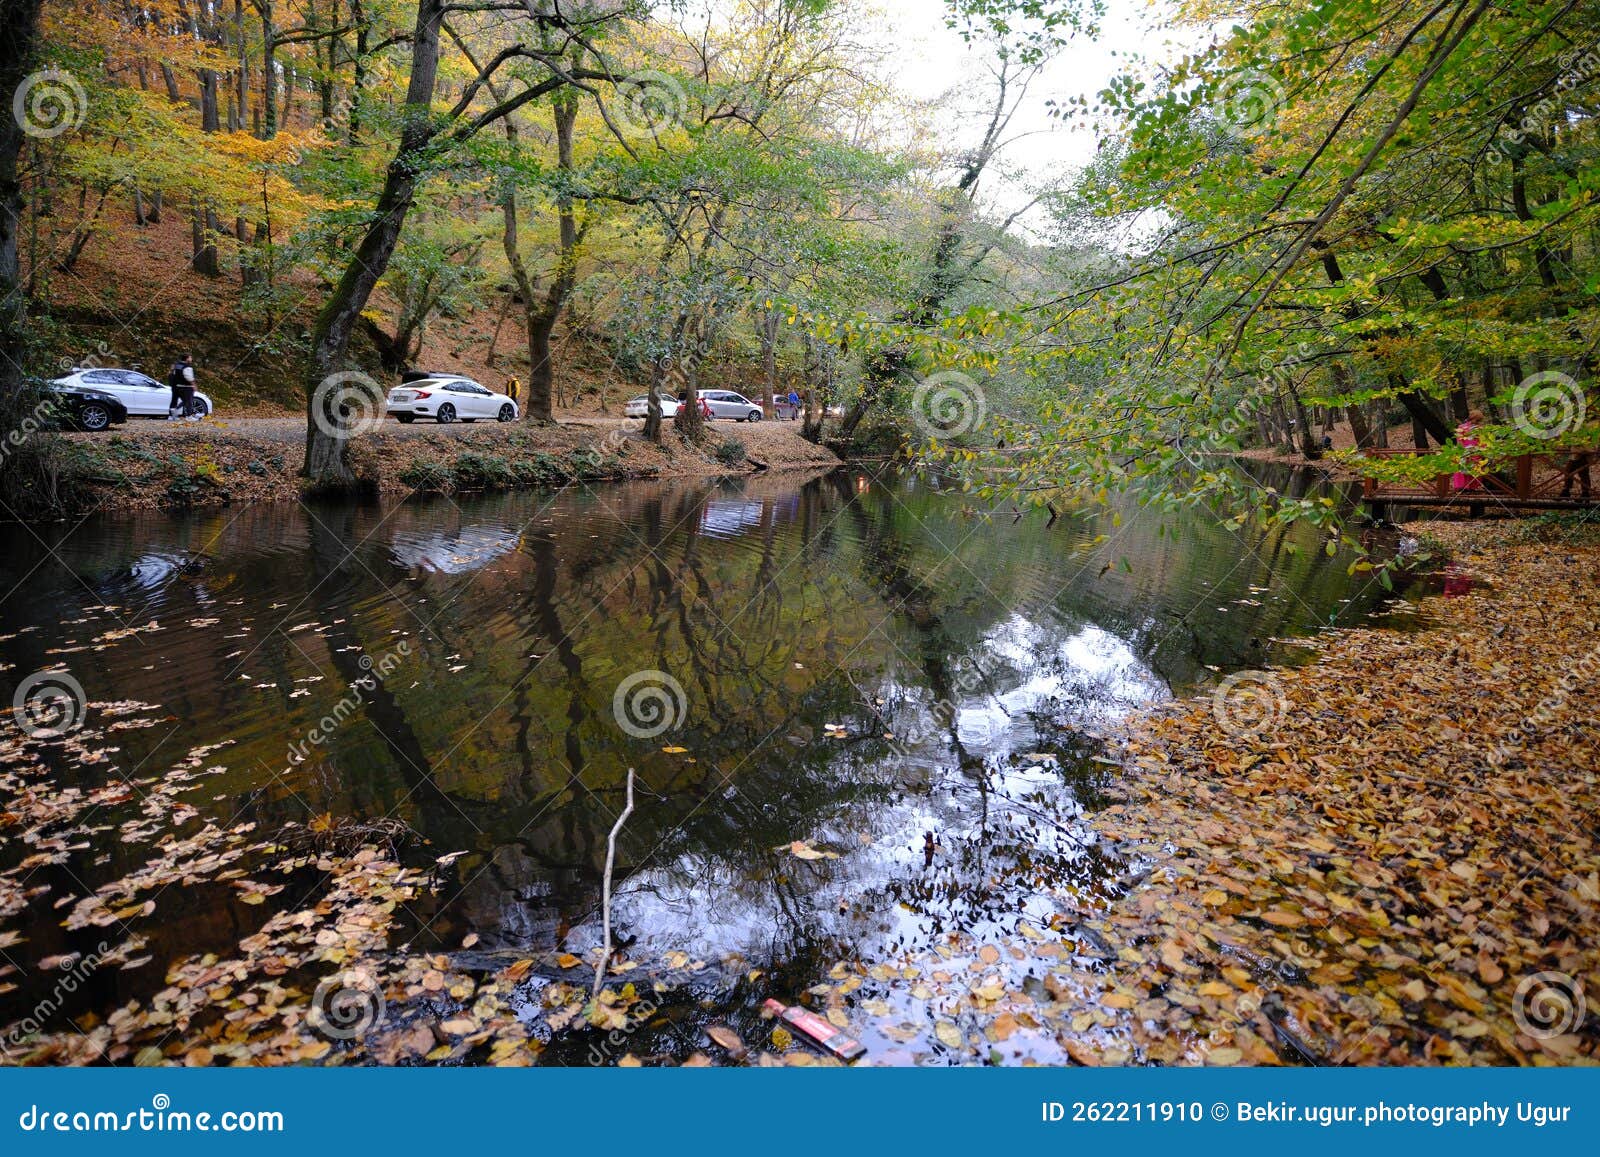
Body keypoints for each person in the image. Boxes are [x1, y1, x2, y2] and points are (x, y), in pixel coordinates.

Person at [1451, 409, 1485, 492]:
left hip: (1476, 452)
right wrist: (1463, 452)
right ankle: (1462, 487)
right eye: (1477, 419)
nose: (1477, 421)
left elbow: (1483, 441)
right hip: (1466, 452)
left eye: (1479, 420)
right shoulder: (1462, 427)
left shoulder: (1481, 429)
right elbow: (1459, 441)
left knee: (1474, 468)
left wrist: (1483, 451)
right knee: (1463, 468)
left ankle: (1472, 487)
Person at [167, 353, 196, 420]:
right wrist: (194, 385)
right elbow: (189, 378)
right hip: (186, 387)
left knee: (174, 401)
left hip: (175, 386)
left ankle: (171, 416)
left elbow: (172, 374)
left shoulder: (176, 365)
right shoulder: (187, 367)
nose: (191, 359)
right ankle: (189, 416)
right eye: (190, 357)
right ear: (187, 358)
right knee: (188, 401)